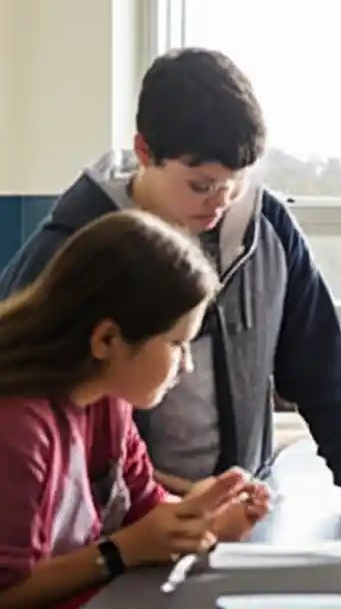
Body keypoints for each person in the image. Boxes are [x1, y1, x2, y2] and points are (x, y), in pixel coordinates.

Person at [0, 48, 341, 508]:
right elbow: (33, 405)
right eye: (200, 185)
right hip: (109, 521)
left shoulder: (267, 228)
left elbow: (320, 364)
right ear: (144, 151)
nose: (219, 201)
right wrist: (171, 500)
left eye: (233, 181)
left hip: (231, 508)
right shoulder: (75, 246)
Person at [0, 210, 271, 608]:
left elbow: (142, 508)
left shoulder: (107, 401)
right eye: (177, 344)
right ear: (106, 339)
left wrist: (203, 520)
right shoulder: (16, 426)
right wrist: (121, 551)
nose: (187, 365)